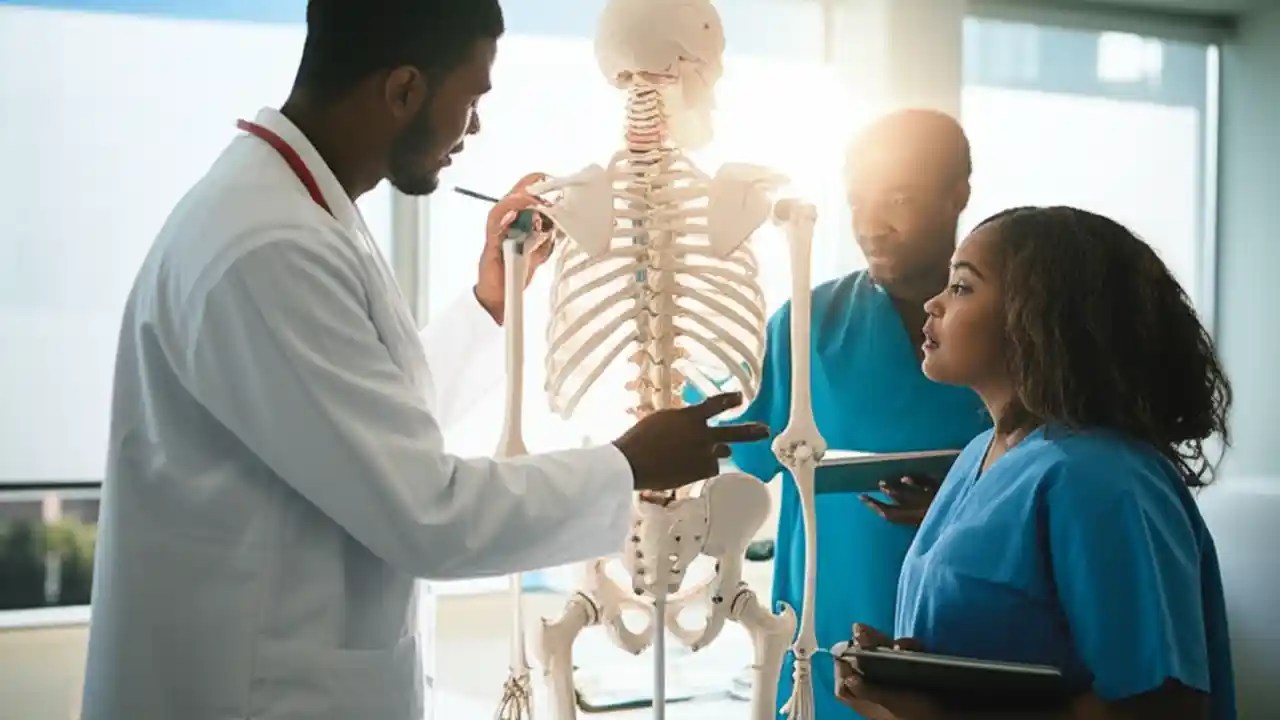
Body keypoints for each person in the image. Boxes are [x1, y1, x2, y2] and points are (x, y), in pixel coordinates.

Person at [80, 2, 766, 719]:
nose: (474, 129)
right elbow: (424, 512)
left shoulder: (296, 215)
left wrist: (489, 305)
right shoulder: (268, 247)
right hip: (253, 692)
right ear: (404, 89)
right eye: (470, 100)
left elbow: (361, 430)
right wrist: (628, 465)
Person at [836, 206, 1236, 720]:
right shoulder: (980, 455)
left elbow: (1163, 705)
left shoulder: (1102, 478)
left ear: (1040, 315)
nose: (933, 304)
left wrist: (944, 715)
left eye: (961, 287)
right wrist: (907, 678)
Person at [707, 109, 992, 718]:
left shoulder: (1017, 335)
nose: (871, 226)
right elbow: (736, 463)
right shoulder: (809, 325)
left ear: (956, 197)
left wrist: (958, 506)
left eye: (897, 200)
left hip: (973, 661)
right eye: (856, 202)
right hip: (827, 659)